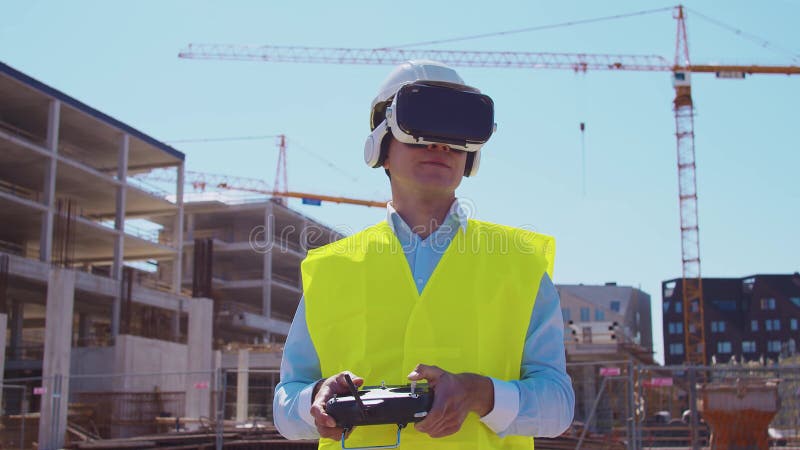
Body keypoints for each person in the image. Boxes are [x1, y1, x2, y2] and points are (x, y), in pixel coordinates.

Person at [273, 60, 574, 449]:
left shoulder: (520, 266)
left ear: (470, 155)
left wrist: (479, 394)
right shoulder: (331, 270)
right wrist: (311, 401)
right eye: (419, 131)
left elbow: (558, 406)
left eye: (454, 135)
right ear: (381, 147)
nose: (438, 146)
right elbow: (285, 401)